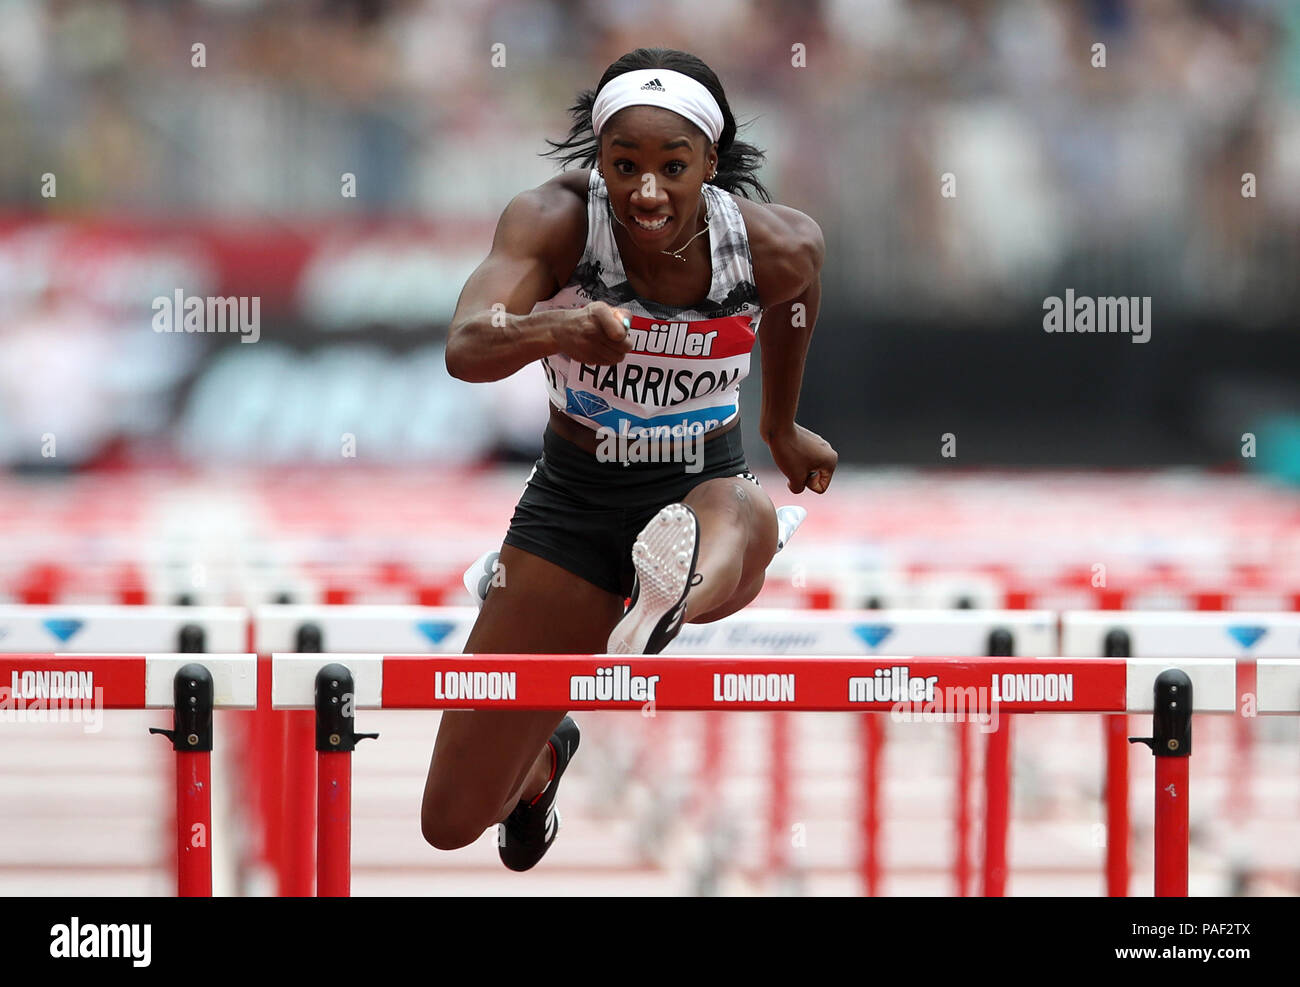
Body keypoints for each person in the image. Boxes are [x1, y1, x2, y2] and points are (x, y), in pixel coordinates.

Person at [422, 48, 837, 871]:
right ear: (599, 162)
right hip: (571, 508)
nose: (647, 192)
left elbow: (797, 299)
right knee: (450, 820)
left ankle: (670, 594)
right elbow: (467, 345)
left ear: (710, 165)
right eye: (625, 167)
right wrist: (559, 329)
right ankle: (541, 762)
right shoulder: (556, 221)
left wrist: (782, 426)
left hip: (702, 481)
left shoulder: (773, 245)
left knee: (736, 511)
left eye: (672, 168)